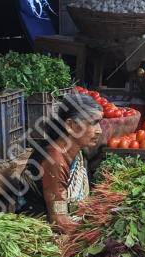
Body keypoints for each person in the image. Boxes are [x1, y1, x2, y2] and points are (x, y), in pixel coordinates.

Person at [37, 92, 109, 227]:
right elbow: (59, 221)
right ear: (70, 125)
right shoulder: (54, 160)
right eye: (93, 123)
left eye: (99, 123)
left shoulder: (78, 153)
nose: (99, 130)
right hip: (40, 230)